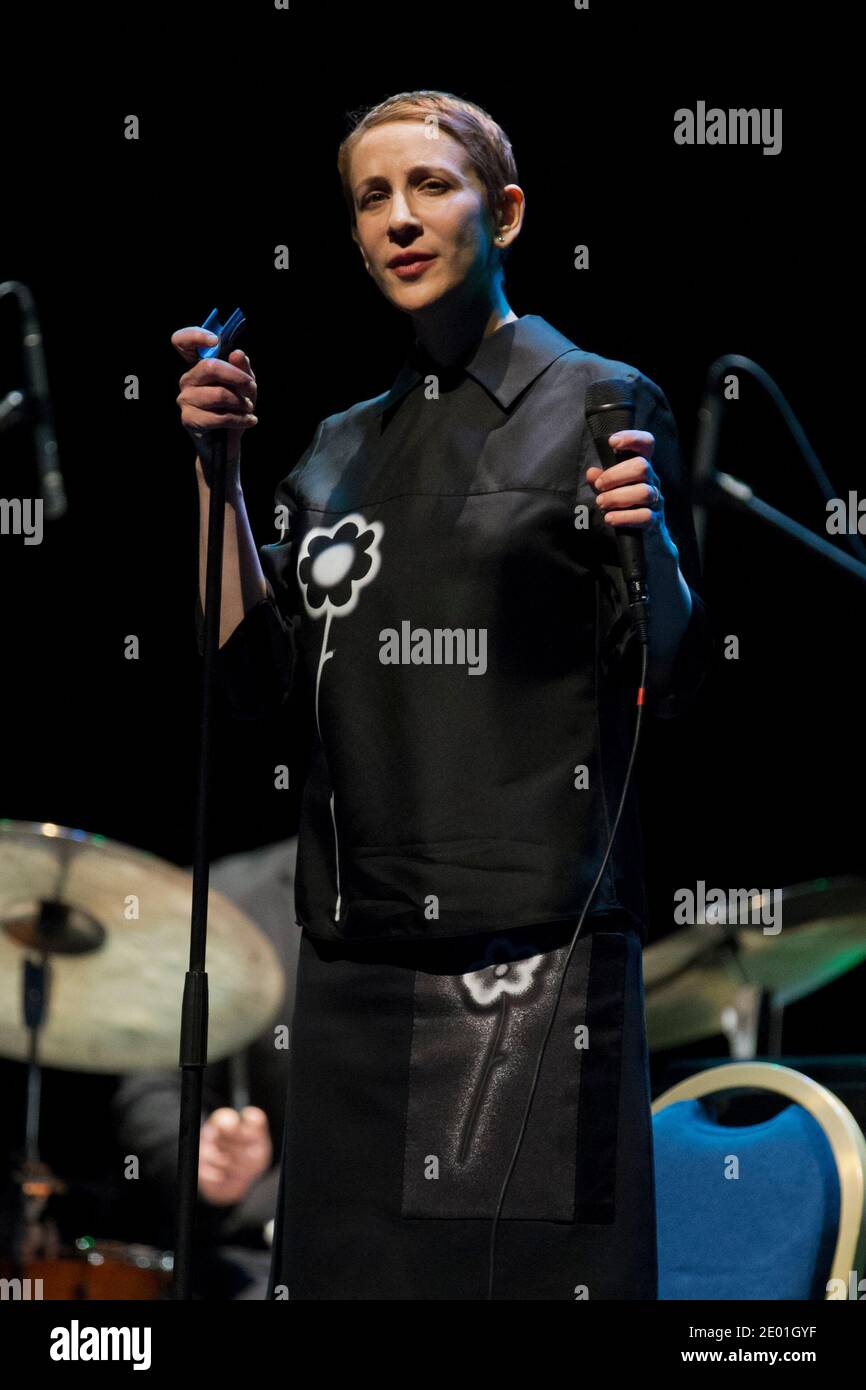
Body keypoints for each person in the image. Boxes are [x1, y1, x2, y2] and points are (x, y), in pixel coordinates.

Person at [172, 89, 711, 1301]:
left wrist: (656, 550)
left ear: (504, 210)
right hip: (355, 957)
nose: (400, 220)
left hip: (520, 966)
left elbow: (666, 677)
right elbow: (251, 687)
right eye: (372, 198)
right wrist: (217, 481)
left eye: (430, 186)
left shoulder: (596, 401)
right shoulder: (334, 448)